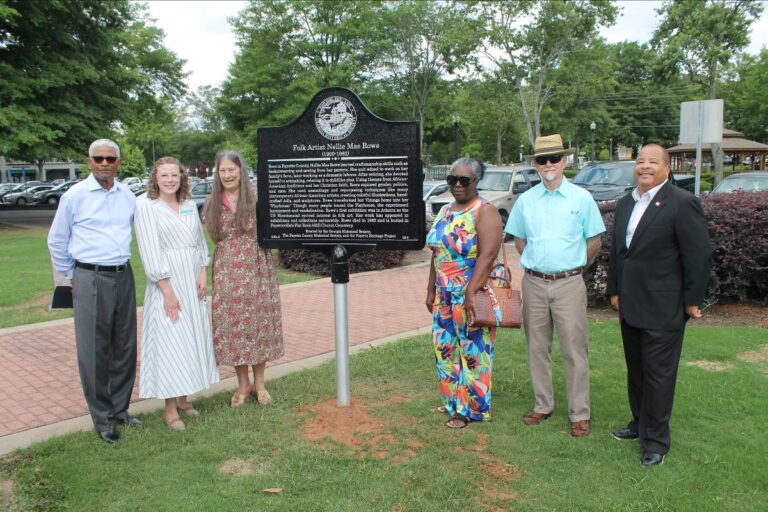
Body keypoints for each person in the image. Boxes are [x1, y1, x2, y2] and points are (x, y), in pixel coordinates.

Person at [607, 144, 712, 466]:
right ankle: (639, 424)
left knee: (658, 375)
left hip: (664, 305)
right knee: (637, 370)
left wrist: (692, 300)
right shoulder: (628, 202)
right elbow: (618, 252)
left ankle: (656, 441)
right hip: (631, 303)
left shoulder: (681, 203)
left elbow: (698, 254)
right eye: (640, 161)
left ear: (667, 168)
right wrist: (614, 289)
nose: (645, 166)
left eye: (653, 162)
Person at [505, 134, 605, 437]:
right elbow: (520, 241)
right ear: (535, 164)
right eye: (542, 160)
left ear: (564, 161)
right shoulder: (525, 201)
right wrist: (541, 265)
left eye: (554, 159)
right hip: (534, 283)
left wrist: (571, 268)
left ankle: (579, 413)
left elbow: (594, 242)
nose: (548, 164)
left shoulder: (581, 198)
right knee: (537, 347)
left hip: (569, 283)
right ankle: (542, 405)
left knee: (574, 350)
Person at [47, 139, 141, 444]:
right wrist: (70, 276)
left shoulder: (127, 195)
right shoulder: (75, 196)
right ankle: (102, 419)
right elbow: (57, 240)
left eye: (110, 159)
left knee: (124, 346)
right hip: (89, 276)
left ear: (118, 163)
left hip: (122, 274)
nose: (104, 163)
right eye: (98, 158)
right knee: (94, 350)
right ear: (89, 162)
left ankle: (119, 410)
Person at [134, 157, 220, 431]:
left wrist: (203, 270)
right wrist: (166, 290)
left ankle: (183, 399)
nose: (170, 180)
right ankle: (170, 409)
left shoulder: (186, 205)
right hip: (167, 283)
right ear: (155, 178)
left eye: (175, 175)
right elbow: (149, 250)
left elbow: (198, 241)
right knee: (171, 342)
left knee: (189, 338)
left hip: (191, 281)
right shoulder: (146, 206)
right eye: (164, 175)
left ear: (182, 177)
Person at [425, 157, 503, 429]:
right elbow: (437, 252)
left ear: (476, 181)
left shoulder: (485, 210)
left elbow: (488, 254)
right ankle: (451, 402)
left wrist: (471, 292)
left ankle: (470, 409)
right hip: (444, 295)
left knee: (473, 351)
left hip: (471, 293)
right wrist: (431, 289)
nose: (457, 185)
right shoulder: (446, 210)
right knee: (445, 349)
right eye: (452, 179)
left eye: (464, 180)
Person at [203, 151, 284, 407]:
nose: (227, 175)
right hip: (228, 270)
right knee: (234, 327)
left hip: (257, 265)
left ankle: (260, 383)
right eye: (222, 171)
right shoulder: (212, 202)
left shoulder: (258, 198)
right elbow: (215, 237)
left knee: (258, 324)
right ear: (218, 174)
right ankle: (243, 384)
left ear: (241, 171)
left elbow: (271, 228)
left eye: (231, 170)